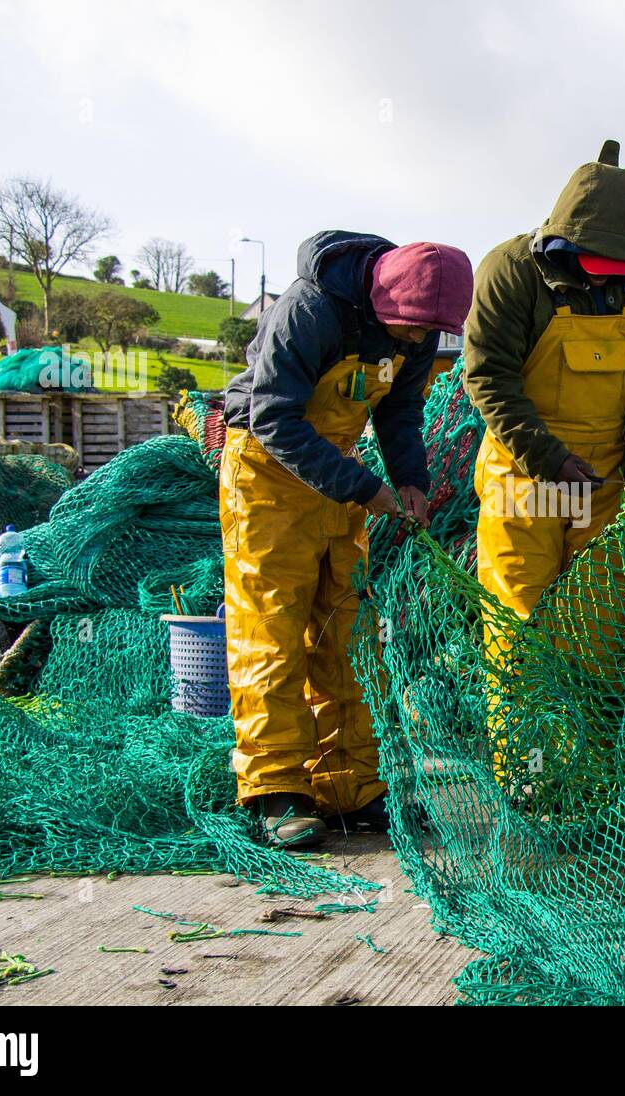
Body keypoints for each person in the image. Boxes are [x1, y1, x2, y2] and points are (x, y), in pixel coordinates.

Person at [220, 231, 472, 846]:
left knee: (347, 632)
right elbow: (272, 416)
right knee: (272, 630)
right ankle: (276, 790)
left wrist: (410, 480)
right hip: (265, 474)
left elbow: (399, 411)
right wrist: (363, 488)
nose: (415, 343)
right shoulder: (310, 309)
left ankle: (350, 785)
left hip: (337, 475)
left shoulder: (419, 329)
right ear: (383, 299)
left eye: (427, 336)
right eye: (409, 331)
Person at [462, 139, 625, 623]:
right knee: (518, 622)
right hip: (521, 472)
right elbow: (487, 376)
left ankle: (590, 700)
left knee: (600, 624)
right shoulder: (510, 270)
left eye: (617, 271)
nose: (605, 281)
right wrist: (549, 458)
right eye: (595, 268)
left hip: (607, 479)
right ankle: (521, 702)